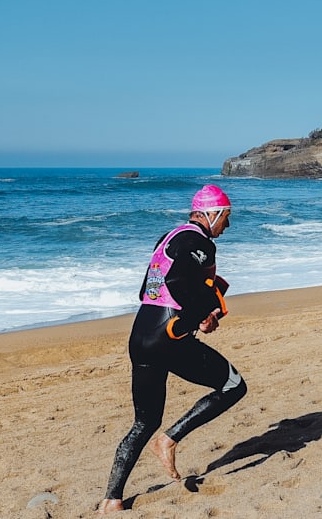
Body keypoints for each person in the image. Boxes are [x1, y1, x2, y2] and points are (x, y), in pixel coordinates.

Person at [99, 185, 246, 514]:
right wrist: (204, 316)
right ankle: (169, 440)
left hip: (141, 335)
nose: (227, 226)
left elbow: (149, 287)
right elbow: (179, 284)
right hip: (168, 337)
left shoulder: (169, 237)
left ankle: (112, 499)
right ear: (212, 214)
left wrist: (200, 314)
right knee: (234, 386)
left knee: (143, 422)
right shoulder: (201, 244)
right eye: (226, 217)